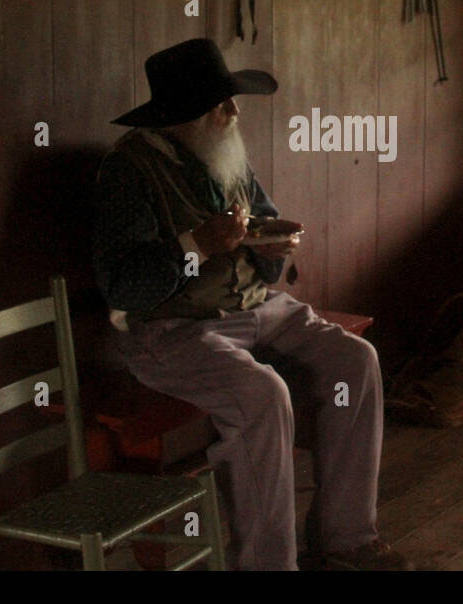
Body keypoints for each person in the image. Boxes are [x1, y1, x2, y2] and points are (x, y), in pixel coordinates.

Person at [92, 38, 411, 571]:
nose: (234, 111)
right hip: (172, 330)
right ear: (185, 115)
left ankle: (346, 537)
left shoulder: (224, 151)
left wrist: (274, 247)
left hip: (256, 308)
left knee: (357, 361)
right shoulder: (128, 174)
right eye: (222, 103)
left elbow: (260, 228)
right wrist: (197, 245)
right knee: (263, 396)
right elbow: (125, 287)